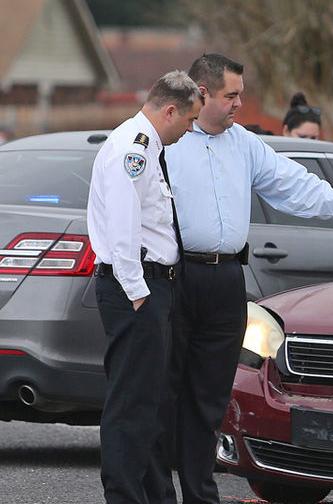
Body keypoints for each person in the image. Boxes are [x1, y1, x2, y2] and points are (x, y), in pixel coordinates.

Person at [160, 53, 333, 504]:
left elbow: (298, 186)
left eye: (241, 93)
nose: (240, 103)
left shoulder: (245, 145)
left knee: (210, 398)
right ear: (202, 94)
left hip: (226, 281)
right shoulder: (167, 140)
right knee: (164, 393)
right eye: (231, 95)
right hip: (176, 278)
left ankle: (199, 495)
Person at [87, 70, 202, 504]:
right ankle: (124, 495)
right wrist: (137, 292)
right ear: (170, 110)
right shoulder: (132, 148)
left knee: (150, 402)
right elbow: (123, 225)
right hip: (137, 289)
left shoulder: (147, 145)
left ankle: (150, 494)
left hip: (154, 286)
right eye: (188, 121)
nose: (189, 130)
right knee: (132, 404)